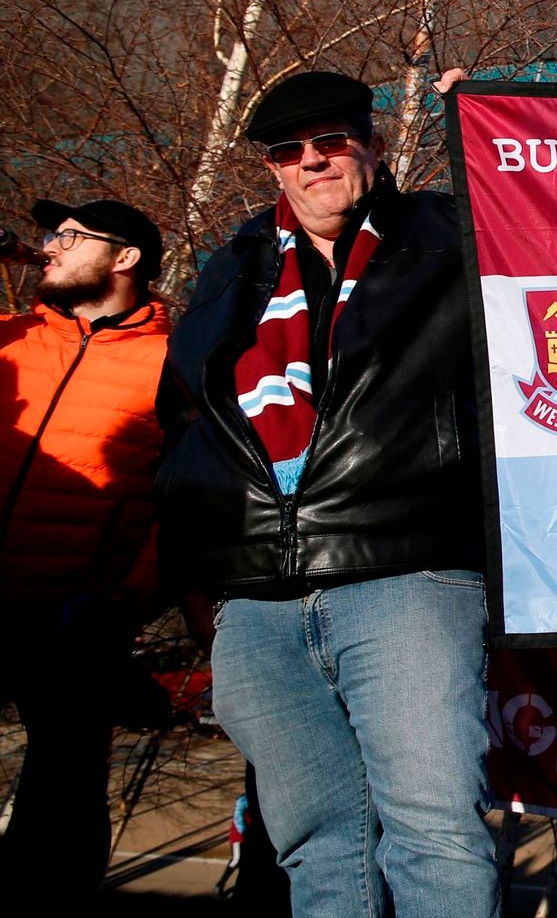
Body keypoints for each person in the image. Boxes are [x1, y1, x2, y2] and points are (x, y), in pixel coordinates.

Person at [155, 70, 500, 916]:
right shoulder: (232, 267)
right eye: (288, 150)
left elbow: (548, 223)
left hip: (405, 575)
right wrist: (199, 576)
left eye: (332, 141)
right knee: (315, 846)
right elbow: (183, 417)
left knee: (435, 833)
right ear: (273, 168)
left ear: (372, 148)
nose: (313, 162)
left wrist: (481, 125)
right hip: (257, 601)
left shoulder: (445, 235)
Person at [0, 197, 170, 892]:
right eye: (49, 236)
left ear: (124, 258)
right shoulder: (10, 341)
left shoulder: (173, 364)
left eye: (70, 236)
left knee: (59, 810)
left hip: (73, 621)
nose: (50, 247)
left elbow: (184, 502)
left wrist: (131, 595)